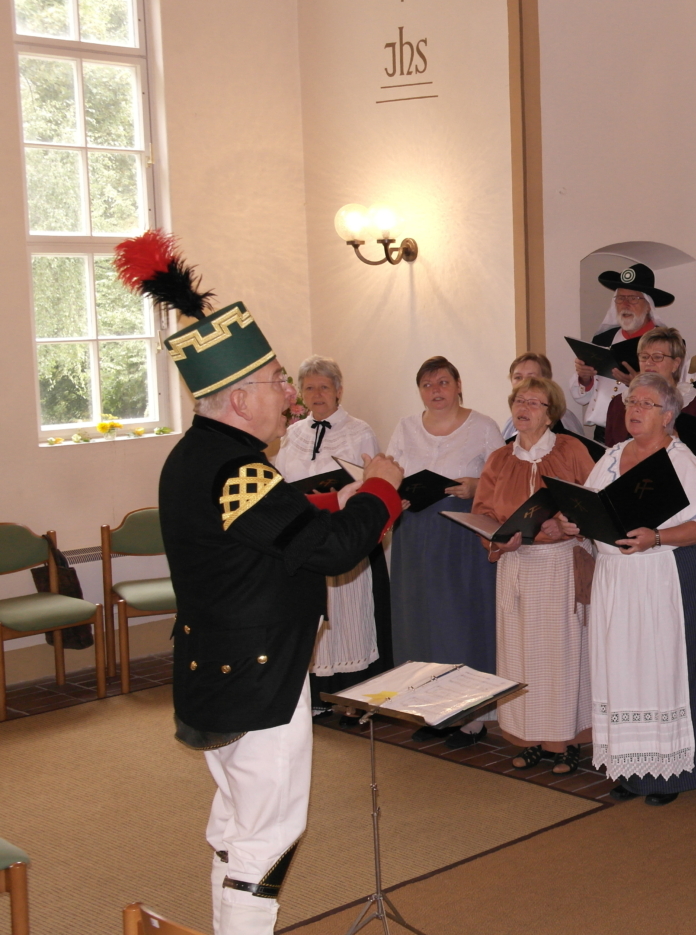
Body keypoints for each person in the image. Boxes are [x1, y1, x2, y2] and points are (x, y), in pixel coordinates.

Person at [117, 230, 404, 935]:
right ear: (240, 398)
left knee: (238, 821)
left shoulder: (197, 456)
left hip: (222, 668)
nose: (288, 395)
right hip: (258, 677)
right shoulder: (240, 468)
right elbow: (333, 550)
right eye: (277, 382)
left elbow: (268, 532)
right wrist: (380, 490)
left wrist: (334, 502)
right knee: (268, 833)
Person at [555, 372, 696, 804]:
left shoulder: (681, 461)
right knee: (621, 669)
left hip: (660, 578)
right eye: (630, 402)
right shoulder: (612, 456)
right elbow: (593, 508)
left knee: (660, 671)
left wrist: (656, 537)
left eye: (645, 404)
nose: (634, 410)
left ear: (669, 415)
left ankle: (667, 772)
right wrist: (574, 522)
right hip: (616, 580)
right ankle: (631, 765)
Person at [473, 376, 596, 774]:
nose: (523, 407)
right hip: (515, 565)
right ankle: (530, 737)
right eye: (518, 400)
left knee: (561, 655)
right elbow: (483, 515)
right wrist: (497, 541)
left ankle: (565, 740)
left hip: (558, 563)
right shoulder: (498, 459)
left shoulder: (571, 449)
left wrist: (569, 523)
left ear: (551, 414)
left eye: (533, 402)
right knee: (520, 656)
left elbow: (594, 501)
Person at [386, 356, 505, 748]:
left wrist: (476, 488)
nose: (435, 390)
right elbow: (390, 477)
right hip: (414, 536)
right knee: (419, 621)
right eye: (427, 385)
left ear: (458, 385)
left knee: (458, 622)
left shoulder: (483, 426)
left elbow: (504, 478)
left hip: (460, 539)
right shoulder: (405, 428)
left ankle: (470, 717)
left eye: (442, 382)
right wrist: (394, 497)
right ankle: (431, 709)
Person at [273, 356, 391, 715]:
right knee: (316, 617)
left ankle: (353, 699)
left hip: (343, 534)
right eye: (310, 387)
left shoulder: (359, 430)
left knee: (348, 617)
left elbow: (369, 482)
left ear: (339, 391)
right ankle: (316, 698)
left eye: (325, 386)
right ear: (302, 395)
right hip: (306, 537)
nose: (317, 393)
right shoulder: (292, 433)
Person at [570, 261, 671, 442]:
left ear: (648, 305)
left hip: (645, 435)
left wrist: (639, 384)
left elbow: (675, 394)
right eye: (620, 298)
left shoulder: (664, 343)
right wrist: (585, 379)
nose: (625, 304)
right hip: (603, 433)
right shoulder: (603, 339)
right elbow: (582, 399)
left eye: (633, 299)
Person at [603, 326, 696, 444]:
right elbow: (611, 448)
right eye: (644, 357)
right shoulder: (619, 403)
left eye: (657, 357)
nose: (649, 362)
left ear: (676, 363)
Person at [504, 352, 585, 439]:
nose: (524, 383)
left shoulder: (562, 419)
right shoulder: (511, 423)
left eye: (530, 378)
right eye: (518, 377)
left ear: (546, 380)